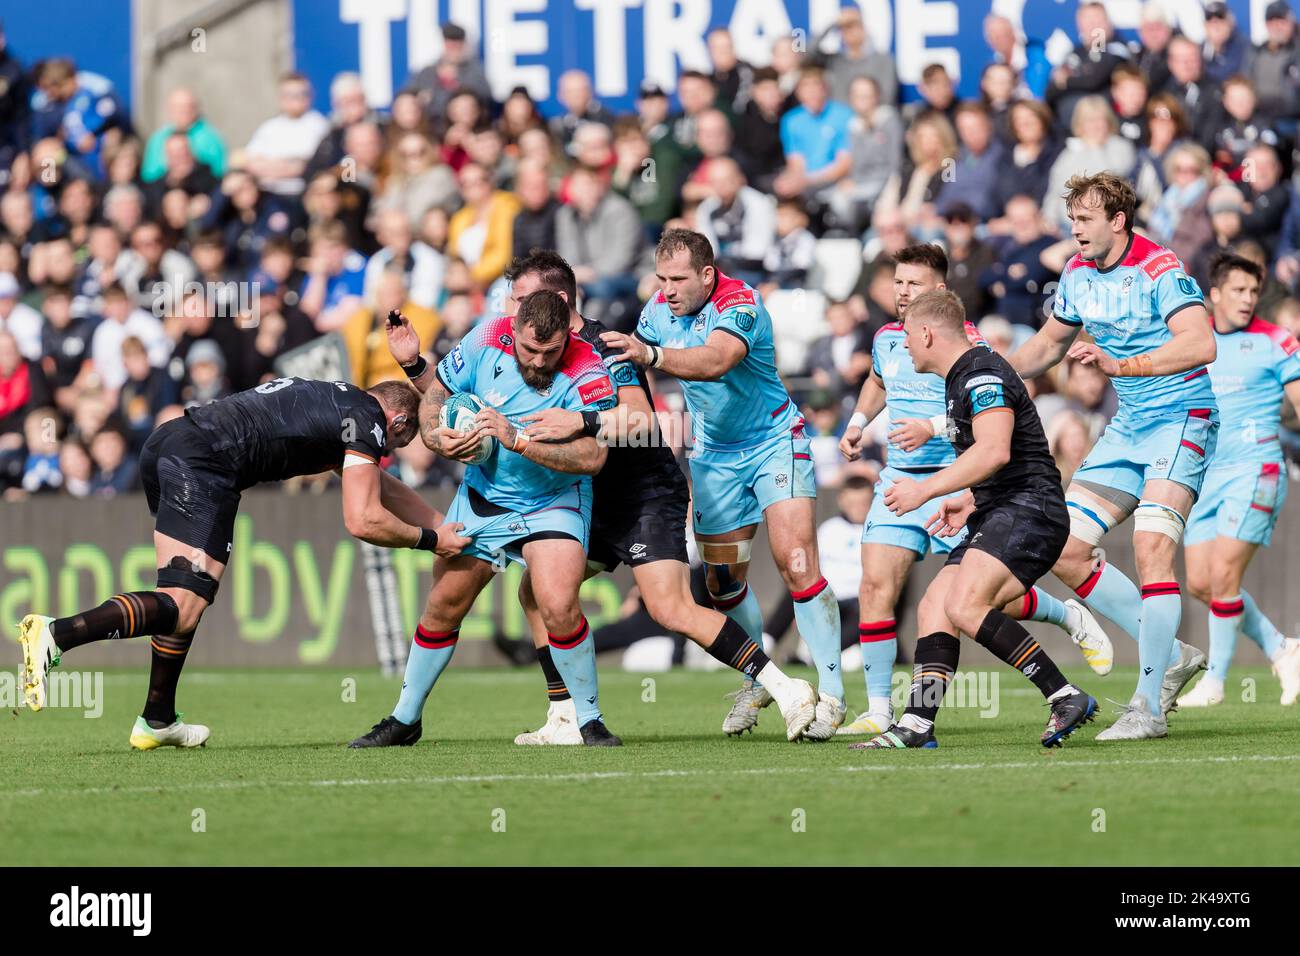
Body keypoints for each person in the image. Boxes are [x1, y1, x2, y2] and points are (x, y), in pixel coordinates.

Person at [392, 249, 817, 743]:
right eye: (513, 301)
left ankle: (784, 688)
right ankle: (564, 716)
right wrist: (420, 371)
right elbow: (452, 392)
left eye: (523, 299)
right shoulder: (519, 345)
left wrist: (580, 421)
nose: (515, 311)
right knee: (537, 593)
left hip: (640, 493)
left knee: (669, 608)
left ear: (557, 300)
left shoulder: (605, 346)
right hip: (581, 495)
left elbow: (640, 422)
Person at [17, 377, 467, 747]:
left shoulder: (341, 402)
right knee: (181, 604)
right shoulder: (367, 420)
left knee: (181, 601)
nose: (387, 452)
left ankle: (156, 719)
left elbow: (382, 491)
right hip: (206, 462)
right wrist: (431, 541)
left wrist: (448, 525)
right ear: (400, 420)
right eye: (396, 442)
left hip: (172, 442)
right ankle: (56, 634)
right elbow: (363, 518)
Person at [837, 244, 1110, 736]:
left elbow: (994, 452)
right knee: (934, 606)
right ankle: (918, 722)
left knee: (965, 605)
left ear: (926, 333)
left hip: (1030, 510)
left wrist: (927, 492)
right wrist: (969, 498)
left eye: (911, 341)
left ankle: (1064, 694)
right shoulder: (960, 372)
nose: (906, 351)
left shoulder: (979, 373)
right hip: (998, 505)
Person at [602, 229, 848, 738]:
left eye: (678, 279)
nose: (666, 289)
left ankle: (831, 696)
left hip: (775, 440)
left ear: (707, 275)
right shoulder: (654, 313)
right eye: (661, 277)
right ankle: (760, 681)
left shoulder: (741, 304)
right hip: (713, 455)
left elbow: (716, 362)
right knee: (722, 584)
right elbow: (639, 384)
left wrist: (652, 357)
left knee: (796, 561)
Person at [349, 290, 623, 748]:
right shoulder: (484, 338)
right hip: (485, 497)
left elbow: (593, 457)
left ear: (565, 340)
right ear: (513, 330)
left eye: (549, 352)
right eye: (529, 349)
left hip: (553, 500)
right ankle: (405, 718)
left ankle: (588, 719)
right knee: (443, 606)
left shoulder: (589, 371)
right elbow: (440, 394)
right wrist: (438, 438)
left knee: (557, 606)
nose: (537, 361)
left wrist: (517, 441)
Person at [1010, 172, 1218, 741]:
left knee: (1153, 548)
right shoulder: (1076, 273)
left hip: (1182, 418)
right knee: (1065, 547)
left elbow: (1202, 344)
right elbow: (1050, 343)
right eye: (1072, 217)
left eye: (1085, 219)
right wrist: (990, 373)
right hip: (1129, 426)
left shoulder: (1160, 267)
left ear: (1118, 221)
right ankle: (1172, 655)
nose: (1074, 229)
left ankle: (1147, 707)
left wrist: (1122, 366)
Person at [1178, 254, 1300, 707]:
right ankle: (1282, 648)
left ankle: (1215, 682)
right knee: (1201, 583)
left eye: (1253, 291)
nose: (1248, 299)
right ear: (1214, 295)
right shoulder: (1194, 341)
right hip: (1206, 476)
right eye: (1238, 290)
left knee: (1225, 575)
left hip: (1257, 469)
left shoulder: (1276, 341)